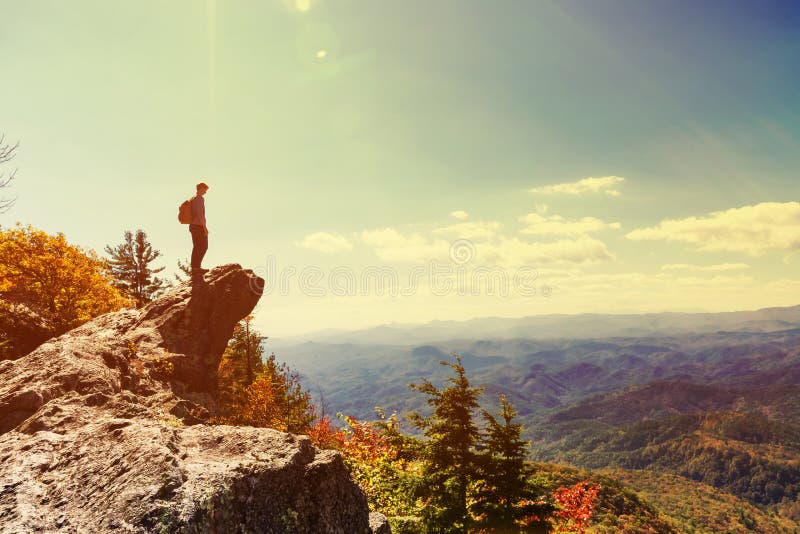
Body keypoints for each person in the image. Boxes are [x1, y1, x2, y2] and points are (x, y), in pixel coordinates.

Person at [190, 182, 210, 275]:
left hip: (193, 226)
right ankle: (196, 267)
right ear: (201, 188)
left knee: (197, 247)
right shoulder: (199, 199)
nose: (206, 191)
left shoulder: (193, 198)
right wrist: (204, 227)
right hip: (198, 226)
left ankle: (195, 267)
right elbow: (200, 214)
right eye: (205, 189)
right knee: (203, 246)